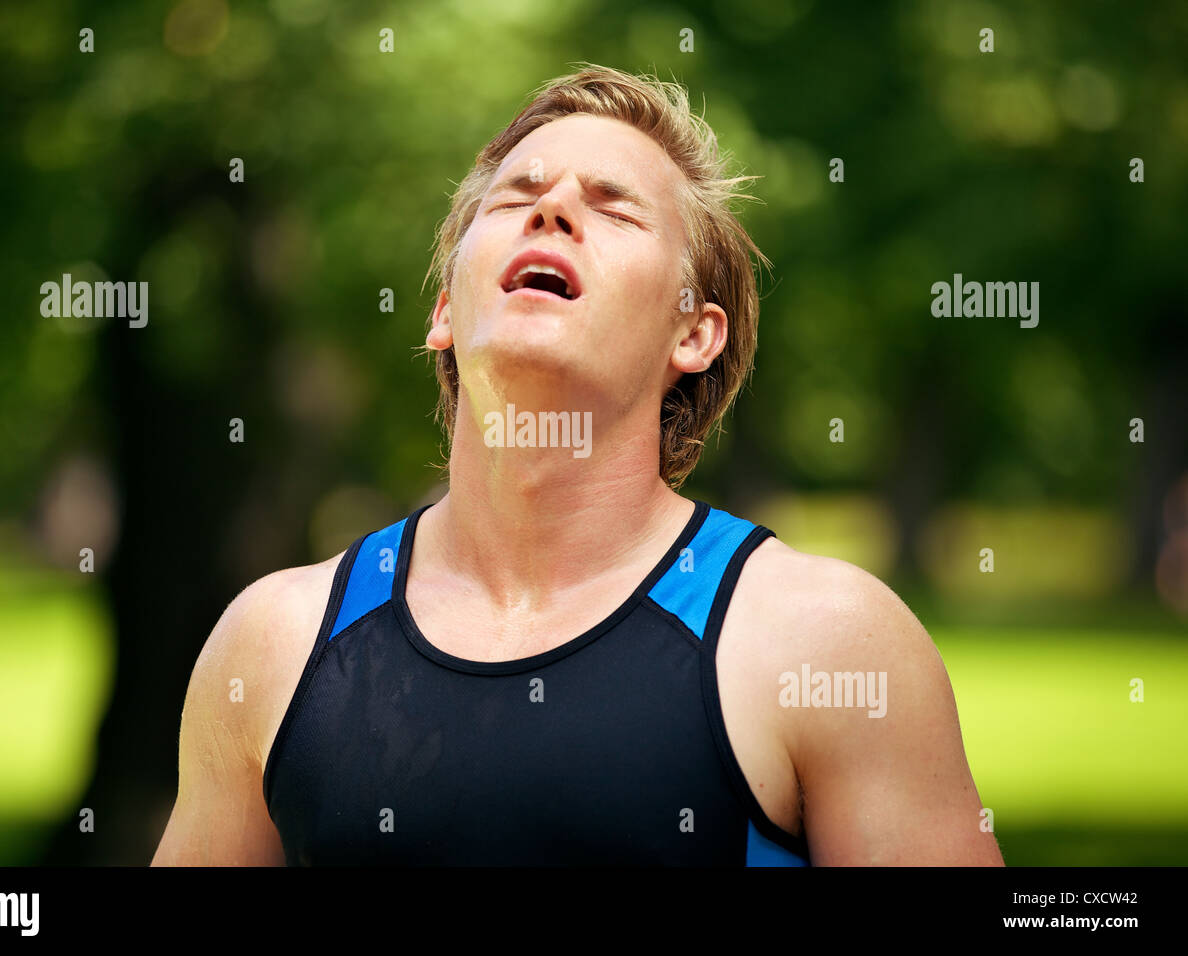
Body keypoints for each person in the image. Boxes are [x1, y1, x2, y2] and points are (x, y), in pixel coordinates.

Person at [152, 64, 1004, 866]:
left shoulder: (824, 639)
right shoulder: (273, 643)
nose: (551, 209)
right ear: (445, 311)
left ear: (693, 333)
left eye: (615, 208)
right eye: (517, 196)